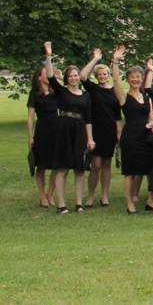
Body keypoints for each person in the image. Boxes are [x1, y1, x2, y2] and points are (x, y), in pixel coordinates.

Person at [43, 42, 93, 214]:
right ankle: (61, 205)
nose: (73, 78)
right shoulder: (62, 91)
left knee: (79, 169)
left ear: (79, 77)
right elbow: (50, 76)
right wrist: (49, 55)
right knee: (62, 168)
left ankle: (79, 203)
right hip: (64, 130)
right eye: (70, 76)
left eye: (76, 75)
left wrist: (90, 138)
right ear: (66, 78)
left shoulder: (86, 95)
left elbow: (88, 118)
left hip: (79, 131)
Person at [111, 47, 153, 214]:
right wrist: (116, 60)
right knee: (130, 172)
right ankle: (130, 203)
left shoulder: (147, 98)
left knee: (152, 170)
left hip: (147, 137)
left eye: (138, 77)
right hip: (131, 137)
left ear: (142, 78)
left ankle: (151, 201)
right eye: (132, 77)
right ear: (129, 79)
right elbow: (115, 80)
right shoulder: (124, 96)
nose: (136, 79)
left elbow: (152, 120)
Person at [78, 48, 120, 207]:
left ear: (109, 75)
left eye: (105, 74)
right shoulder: (93, 89)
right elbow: (82, 76)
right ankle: (90, 196)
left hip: (110, 132)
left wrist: (118, 134)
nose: (102, 76)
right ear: (96, 76)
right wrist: (95, 59)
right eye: (99, 74)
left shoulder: (115, 91)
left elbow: (118, 116)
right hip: (95, 131)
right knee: (95, 165)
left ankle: (105, 196)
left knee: (107, 165)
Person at [27, 65, 59, 208]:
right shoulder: (34, 93)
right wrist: (30, 137)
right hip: (42, 130)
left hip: (56, 129)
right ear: (39, 77)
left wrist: (58, 78)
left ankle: (50, 194)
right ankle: (42, 195)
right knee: (41, 165)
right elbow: (30, 117)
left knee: (57, 165)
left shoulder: (55, 91)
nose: (50, 74)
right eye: (47, 73)